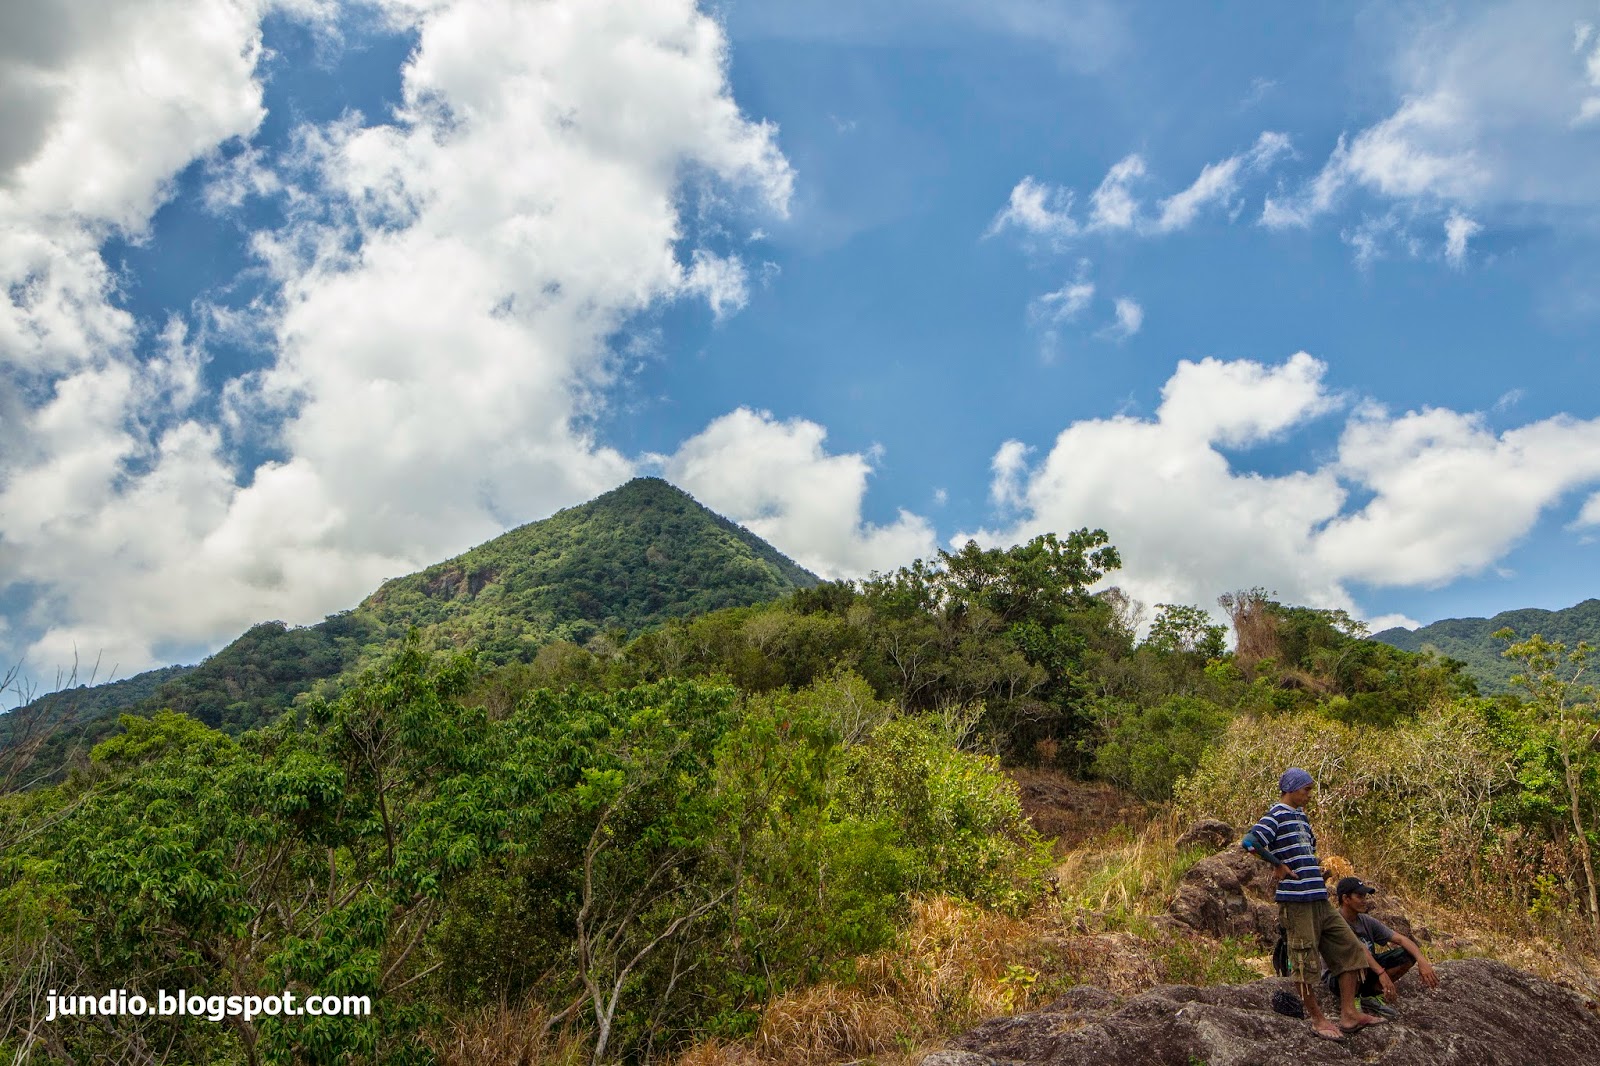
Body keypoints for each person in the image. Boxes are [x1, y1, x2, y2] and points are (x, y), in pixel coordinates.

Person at [1242, 768, 1393, 1041]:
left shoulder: (1301, 816)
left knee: (1351, 949)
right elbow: (1250, 842)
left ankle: (1349, 1014)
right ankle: (1317, 1019)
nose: (1309, 795)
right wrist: (1277, 864)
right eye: (1306, 790)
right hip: (1297, 902)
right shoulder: (1276, 814)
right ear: (1291, 789)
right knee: (1304, 962)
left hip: (1320, 899)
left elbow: (1308, 849)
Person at [1324, 876, 1439, 1017]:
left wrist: (1422, 961)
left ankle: (1370, 995)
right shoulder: (1335, 922)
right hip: (1339, 976)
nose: (1364, 900)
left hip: (1367, 971)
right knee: (1356, 958)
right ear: (1346, 899)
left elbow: (1401, 939)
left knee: (1407, 955)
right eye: (1359, 896)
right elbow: (1358, 949)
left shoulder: (1366, 921)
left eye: (1364, 896)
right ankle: (1353, 1000)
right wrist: (1381, 973)